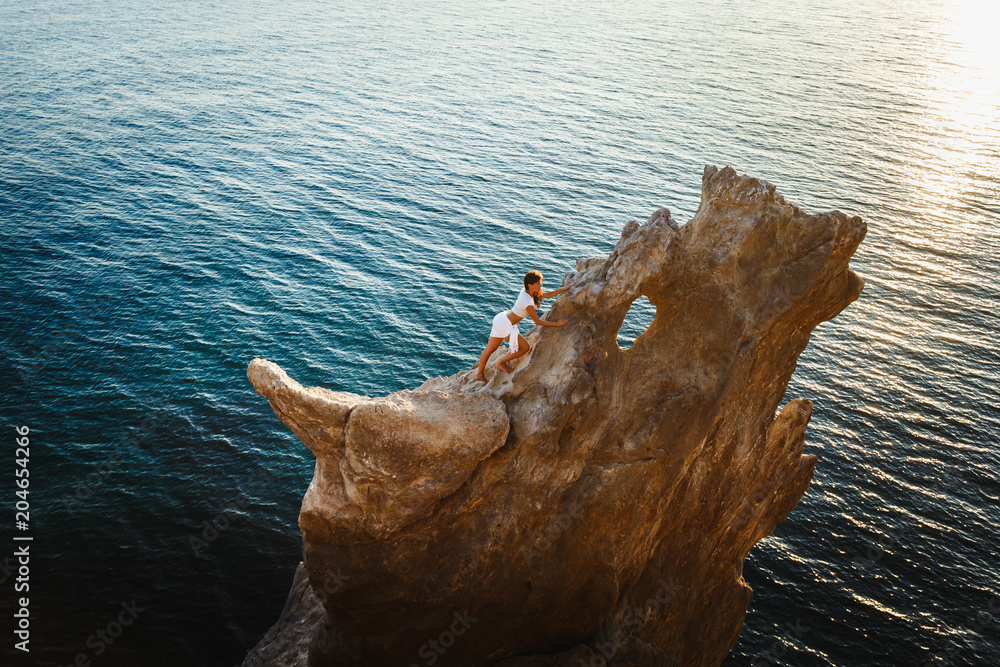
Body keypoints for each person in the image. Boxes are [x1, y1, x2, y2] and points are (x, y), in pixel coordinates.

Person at [475, 270, 570, 382]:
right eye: (538, 284)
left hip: (501, 318)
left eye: (540, 283)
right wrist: (556, 324)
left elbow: (547, 295)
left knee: (489, 350)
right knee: (524, 348)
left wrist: (563, 289)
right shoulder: (528, 303)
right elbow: (538, 322)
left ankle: (479, 375)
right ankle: (500, 362)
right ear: (530, 285)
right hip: (505, 324)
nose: (541, 285)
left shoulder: (526, 291)